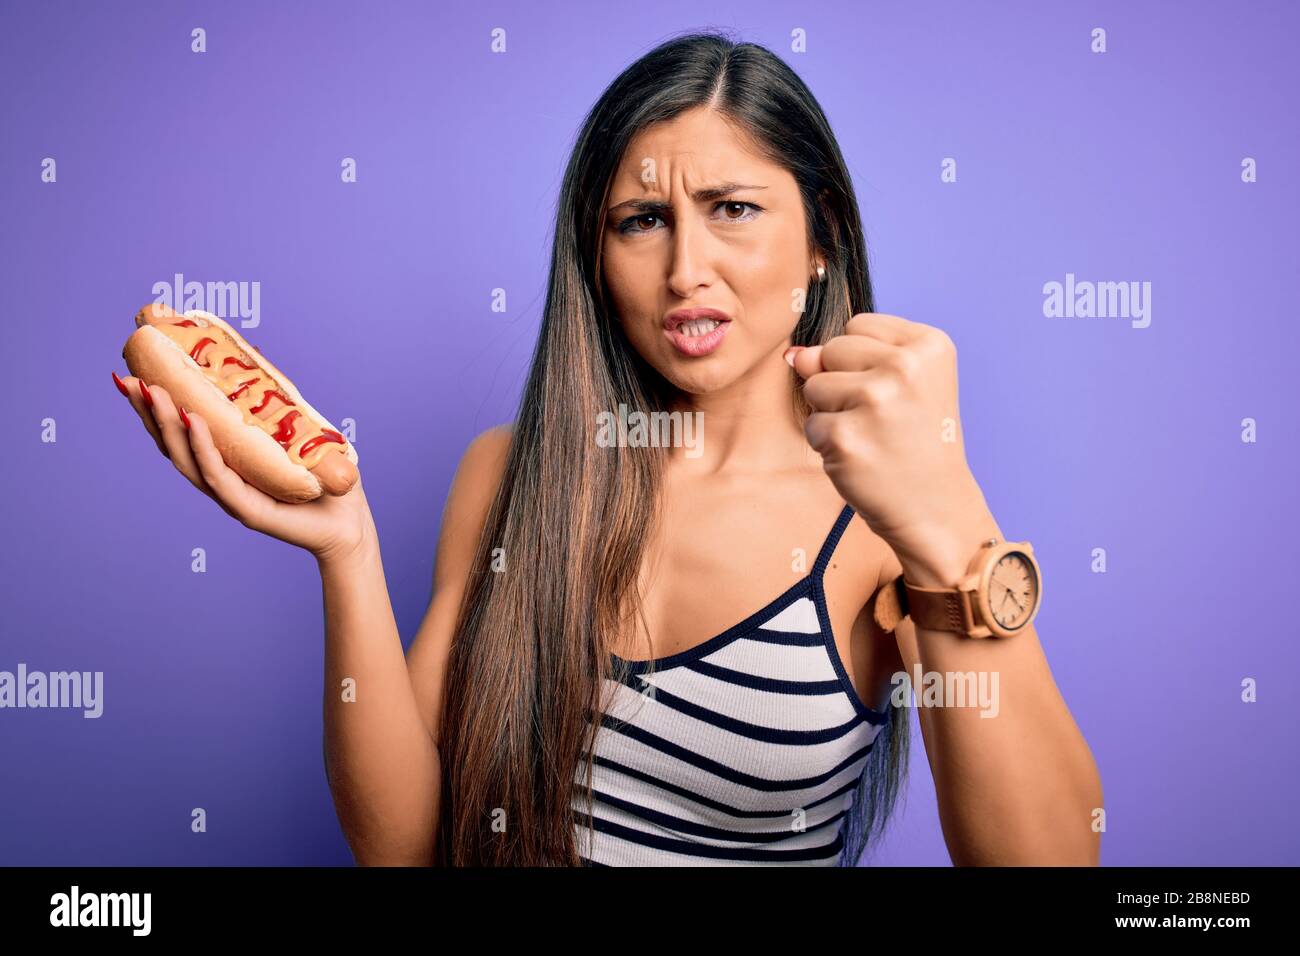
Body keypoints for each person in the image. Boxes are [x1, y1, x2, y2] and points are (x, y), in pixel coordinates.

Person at [114, 31, 1101, 867]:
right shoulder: (507, 475)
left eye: (733, 209)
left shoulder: (886, 521)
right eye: (641, 221)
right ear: (595, 252)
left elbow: (1050, 855)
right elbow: (404, 841)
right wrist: (347, 550)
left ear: (820, 239)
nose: (685, 270)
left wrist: (952, 517)